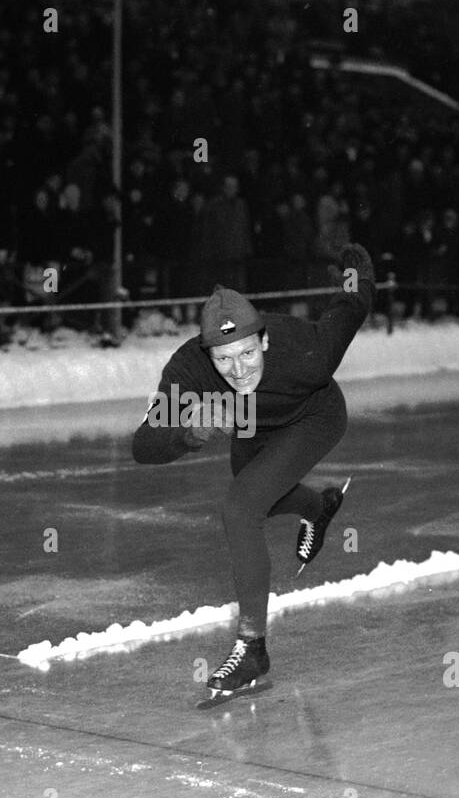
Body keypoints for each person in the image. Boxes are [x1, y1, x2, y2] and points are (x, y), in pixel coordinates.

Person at [131, 243, 377, 698]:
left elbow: (350, 309)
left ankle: (252, 647)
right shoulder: (190, 371)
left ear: (264, 339)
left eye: (247, 353)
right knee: (258, 499)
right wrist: (188, 430)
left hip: (313, 416)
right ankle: (319, 507)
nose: (238, 369)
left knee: (241, 507)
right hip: (251, 425)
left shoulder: (309, 350)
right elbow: (143, 446)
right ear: (208, 355)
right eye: (223, 359)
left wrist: (355, 275)